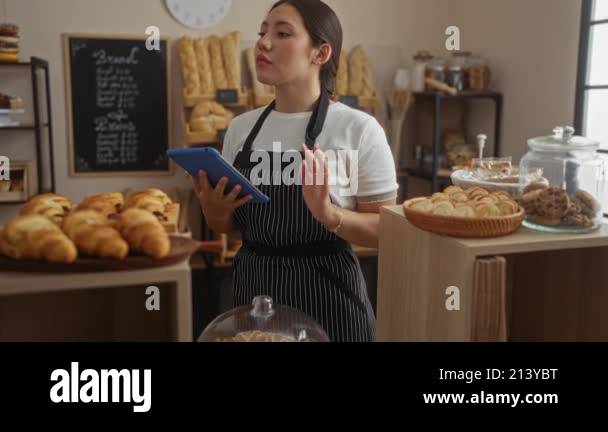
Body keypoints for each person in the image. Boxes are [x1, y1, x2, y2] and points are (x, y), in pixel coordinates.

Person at [194, 0, 398, 342]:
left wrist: (329, 213)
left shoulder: (359, 129)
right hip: (254, 297)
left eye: (282, 33)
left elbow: (387, 231)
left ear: (320, 53)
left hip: (331, 304)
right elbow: (231, 227)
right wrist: (215, 212)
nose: (263, 42)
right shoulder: (241, 130)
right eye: (262, 33)